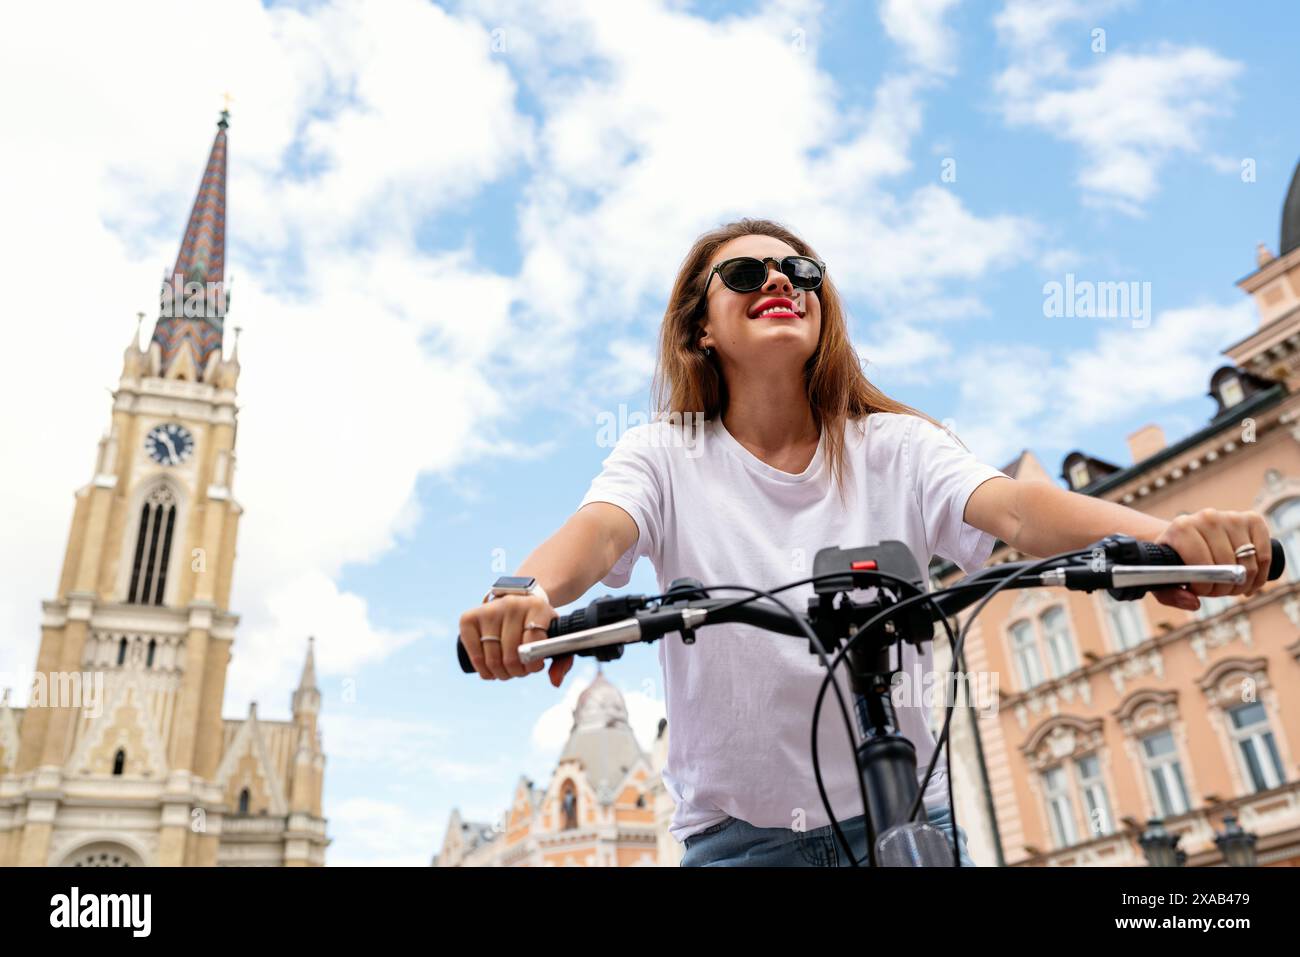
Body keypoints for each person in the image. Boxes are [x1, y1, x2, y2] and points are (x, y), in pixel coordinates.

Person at [457, 218, 1274, 867]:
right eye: (746, 274)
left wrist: (1168, 538)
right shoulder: (664, 454)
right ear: (698, 329)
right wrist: (523, 593)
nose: (781, 280)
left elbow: (1017, 511)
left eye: (801, 272)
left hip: (911, 817)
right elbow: (600, 533)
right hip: (743, 843)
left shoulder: (898, 446)